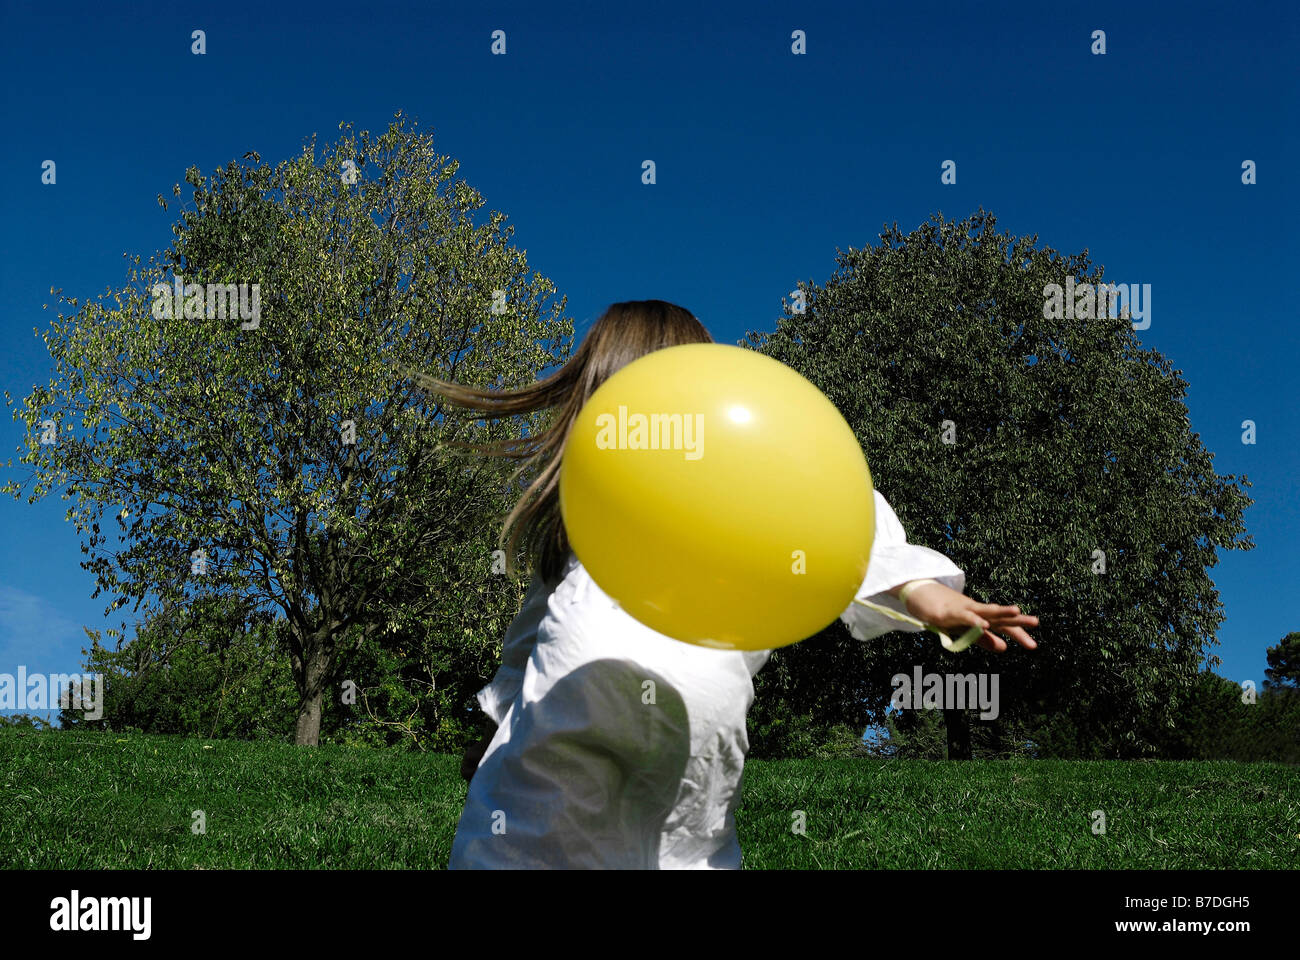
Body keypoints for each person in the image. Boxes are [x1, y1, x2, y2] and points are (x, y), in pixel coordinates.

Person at [414, 300, 1038, 869]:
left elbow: (833, 505)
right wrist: (494, 727)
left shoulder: (748, 503)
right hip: (542, 807)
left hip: (689, 800)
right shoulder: (589, 532)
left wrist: (917, 589)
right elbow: (529, 640)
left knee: (683, 843)